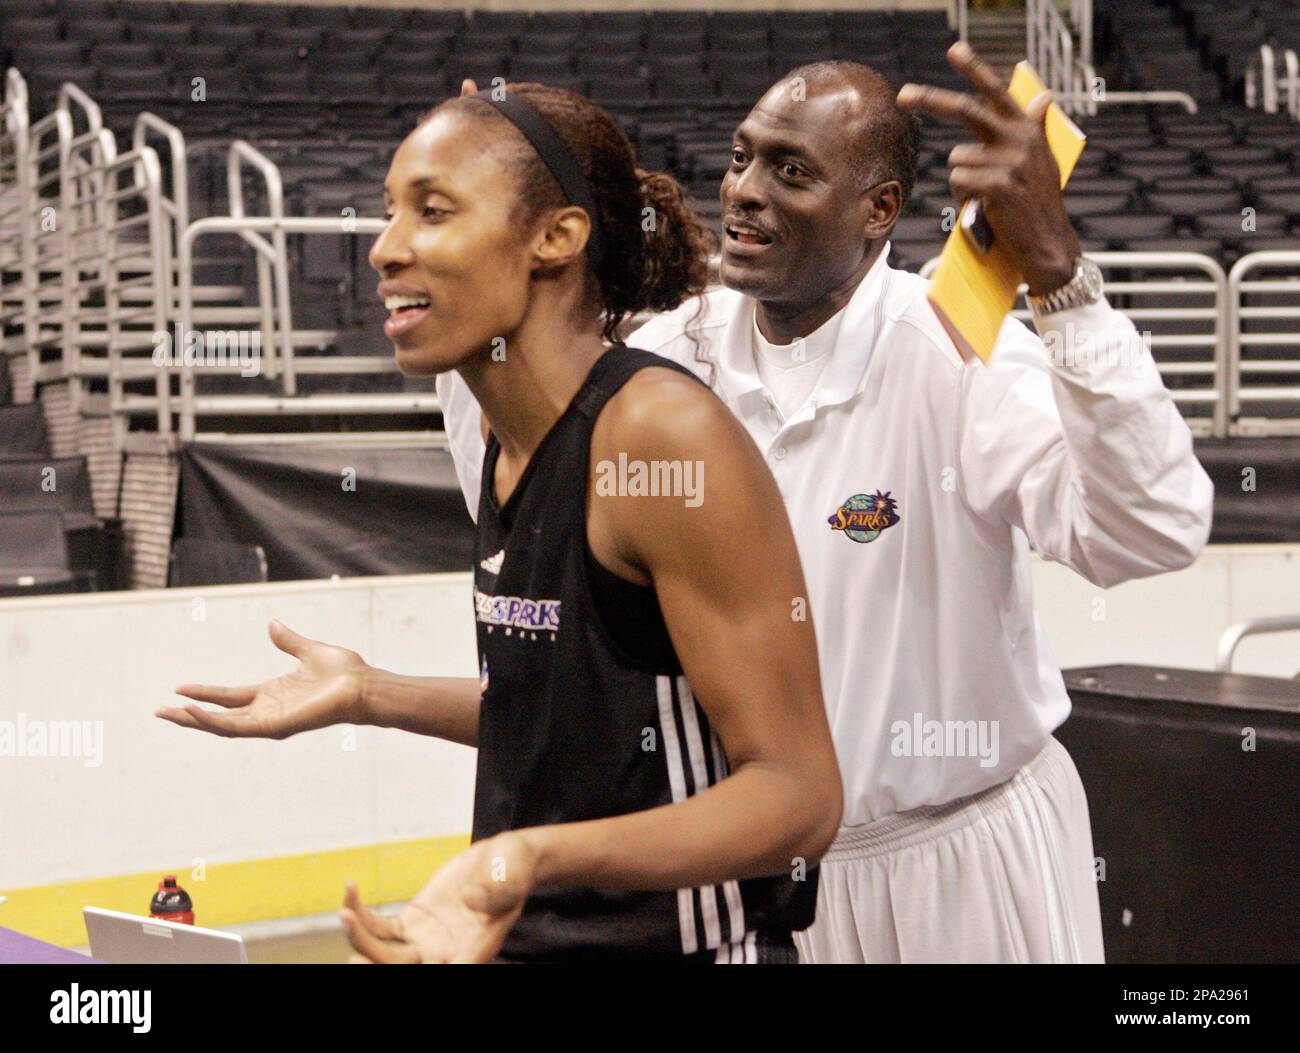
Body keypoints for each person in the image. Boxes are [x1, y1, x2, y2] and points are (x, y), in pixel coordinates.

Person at [433, 45, 1216, 963]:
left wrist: (1061, 279)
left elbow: (1152, 529)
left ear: (879, 210)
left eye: (790, 170)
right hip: (765, 873)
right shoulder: (667, 366)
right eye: (740, 157)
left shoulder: (960, 353)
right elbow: (520, 472)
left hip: (964, 859)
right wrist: (479, 237)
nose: (746, 190)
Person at [158, 82, 842, 963]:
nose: (384, 248)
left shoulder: (661, 437)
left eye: (432, 212)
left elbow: (799, 797)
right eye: (389, 211)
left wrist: (525, 857)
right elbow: (574, 717)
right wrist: (371, 694)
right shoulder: (504, 437)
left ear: (555, 238)